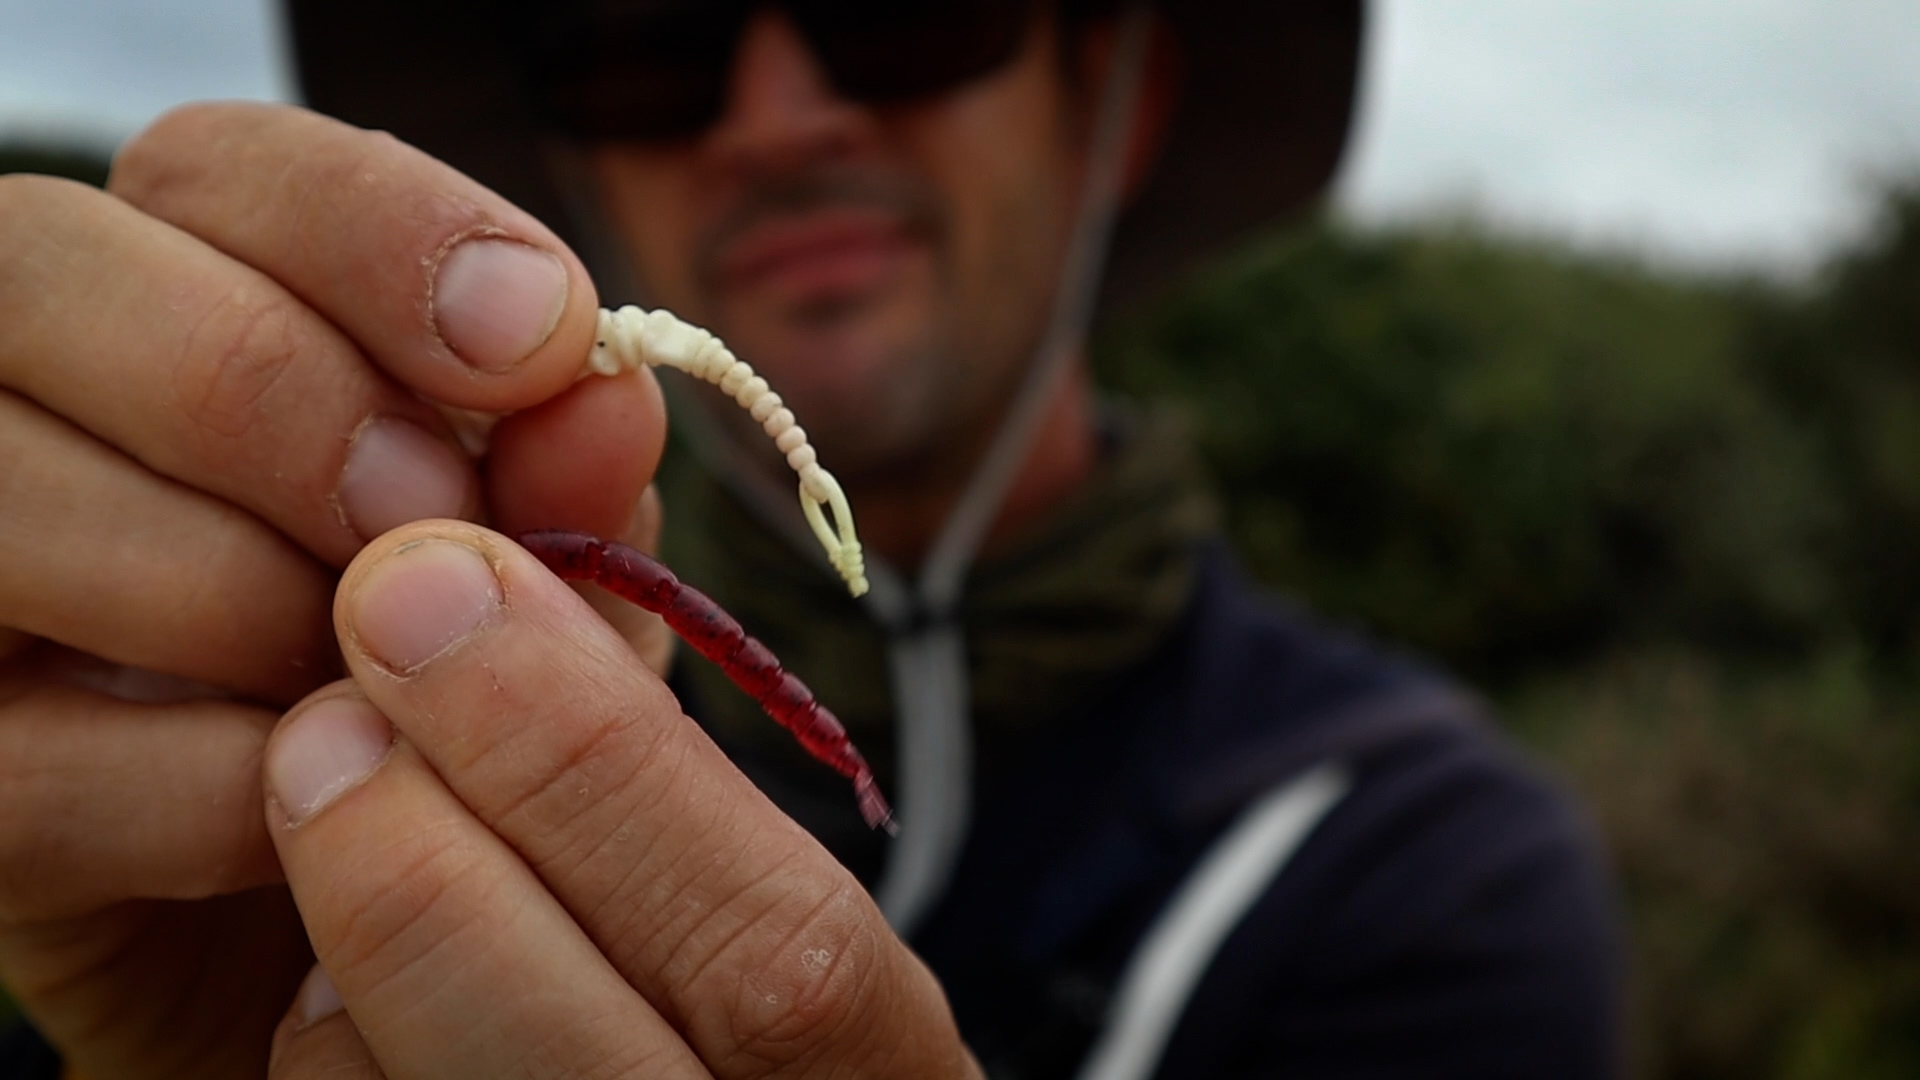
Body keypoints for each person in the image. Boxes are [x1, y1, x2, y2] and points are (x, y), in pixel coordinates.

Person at [0, 1, 1621, 1077]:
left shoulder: (1427, 878)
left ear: (1118, 101)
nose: (778, 114)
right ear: (577, 164)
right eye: (639, 33)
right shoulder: (308, 719)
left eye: (905, 3)